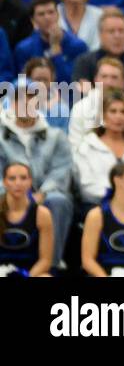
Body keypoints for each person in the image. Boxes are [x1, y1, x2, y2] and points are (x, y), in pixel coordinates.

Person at [0, 75, 73, 265]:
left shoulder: (56, 137)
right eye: (19, 99)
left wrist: (43, 193)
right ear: (11, 103)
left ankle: (51, 265)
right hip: (6, 193)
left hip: (44, 194)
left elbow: (61, 171)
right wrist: (11, 192)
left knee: (58, 200)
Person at [72, 89, 124, 204]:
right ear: (102, 116)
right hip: (99, 206)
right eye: (113, 111)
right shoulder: (87, 147)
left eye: (123, 112)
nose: (119, 117)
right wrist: (120, 196)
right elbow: (87, 189)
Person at [15, 0, 88, 83]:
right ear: (33, 20)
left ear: (58, 15)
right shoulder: (24, 49)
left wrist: (56, 48)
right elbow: (23, 85)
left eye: (51, 12)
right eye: (41, 14)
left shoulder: (78, 46)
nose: (47, 17)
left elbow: (70, 83)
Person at [0, 162, 54, 277]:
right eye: (12, 178)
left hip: (31, 271)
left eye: (23, 178)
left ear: (30, 182)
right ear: (4, 182)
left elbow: (45, 260)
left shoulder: (42, 214)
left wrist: (26, 276)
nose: (18, 183)